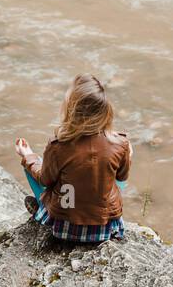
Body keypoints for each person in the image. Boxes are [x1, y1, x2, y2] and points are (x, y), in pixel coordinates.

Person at [14, 73, 131, 243]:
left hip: (64, 228)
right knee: (109, 176)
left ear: (71, 110)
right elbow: (122, 177)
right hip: (104, 229)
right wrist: (127, 153)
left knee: (32, 164)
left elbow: (46, 180)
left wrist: (28, 155)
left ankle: (42, 210)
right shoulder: (120, 144)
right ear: (105, 111)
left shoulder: (58, 146)